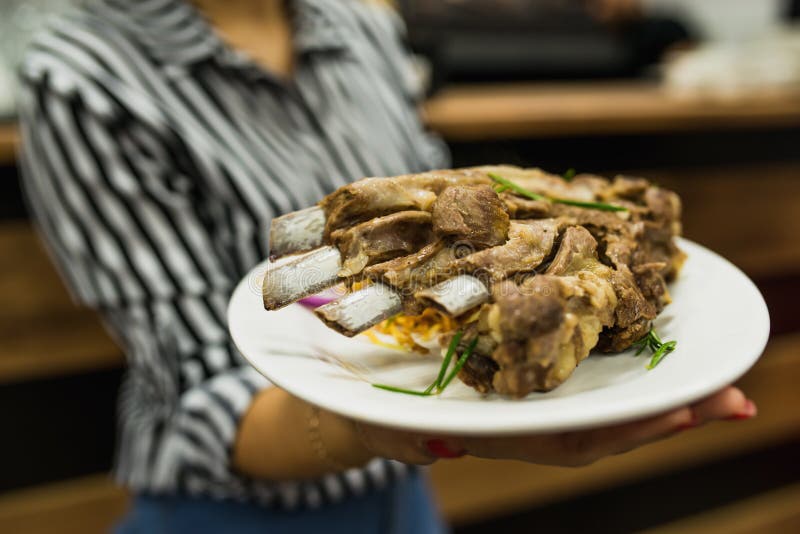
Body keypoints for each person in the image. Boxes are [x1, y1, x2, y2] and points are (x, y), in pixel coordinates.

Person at [17, 0, 756, 532]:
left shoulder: (360, 24)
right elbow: (196, 389)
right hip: (227, 509)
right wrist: (375, 429)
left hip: (405, 495)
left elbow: (458, 243)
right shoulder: (80, 74)